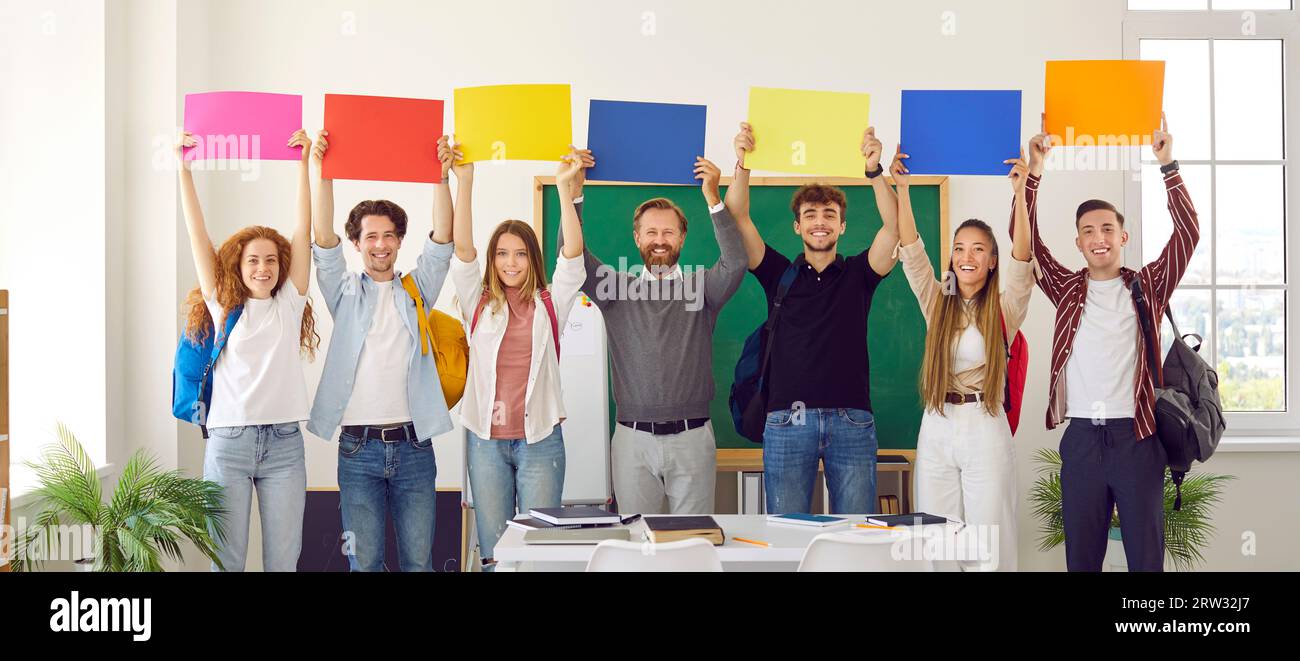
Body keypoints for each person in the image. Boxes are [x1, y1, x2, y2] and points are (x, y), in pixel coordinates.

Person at [1017, 115, 1199, 571]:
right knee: (1082, 560)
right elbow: (1028, 244)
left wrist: (1167, 165)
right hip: (1081, 439)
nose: (1099, 239)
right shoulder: (1066, 287)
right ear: (1078, 242)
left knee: (1145, 560)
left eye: (1106, 230)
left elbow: (1188, 235)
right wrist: (1033, 175)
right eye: (1088, 232)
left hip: (1136, 437)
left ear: (1123, 237)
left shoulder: (1148, 286)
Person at [555, 147, 746, 515]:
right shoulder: (615, 288)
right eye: (651, 232)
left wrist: (713, 198)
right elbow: (570, 256)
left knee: (693, 545)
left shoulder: (701, 288)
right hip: (632, 440)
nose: (660, 239)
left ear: (682, 238)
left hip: (692, 439)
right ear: (638, 238)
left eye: (669, 232)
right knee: (637, 547)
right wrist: (574, 193)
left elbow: (736, 263)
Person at [726, 122, 901, 514]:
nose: (819, 221)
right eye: (810, 214)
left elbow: (895, 227)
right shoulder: (777, 274)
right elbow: (738, 217)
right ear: (797, 226)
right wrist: (743, 162)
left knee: (854, 538)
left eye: (828, 214)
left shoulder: (860, 274)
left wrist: (874, 172)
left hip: (852, 423)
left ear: (842, 225)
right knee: (788, 535)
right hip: (787, 422)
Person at [307, 129, 455, 572]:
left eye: (390, 235)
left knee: (418, 565)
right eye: (371, 236)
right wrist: (324, 172)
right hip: (358, 451)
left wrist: (441, 175)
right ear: (357, 243)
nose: (381, 244)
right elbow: (322, 238)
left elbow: (443, 240)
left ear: (399, 241)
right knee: (365, 564)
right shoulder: (344, 292)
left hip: (414, 445)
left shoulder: (417, 289)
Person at [176, 129, 319, 571]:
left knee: (282, 561)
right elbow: (198, 235)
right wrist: (184, 170)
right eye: (253, 260)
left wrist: (303, 166)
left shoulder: (290, 304)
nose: (263, 268)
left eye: (272, 260)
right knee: (226, 562)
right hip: (229, 443)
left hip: (283, 444)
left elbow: (302, 230)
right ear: (237, 266)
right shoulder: (222, 304)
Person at [443, 138, 587, 570]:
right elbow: (461, 251)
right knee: (495, 552)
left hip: (540, 439)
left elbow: (573, 258)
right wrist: (464, 183)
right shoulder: (478, 301)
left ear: (532, 258)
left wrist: (565, 188)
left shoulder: (549, 301)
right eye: (503, 254)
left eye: (520, 254)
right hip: (485, 441)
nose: (510, 262)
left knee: (540, 552)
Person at [894, 144, 1034, 571]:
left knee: (987, 542)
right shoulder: (938, 302)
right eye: (959, 248)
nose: (967, 256)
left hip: (984, 426)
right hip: (937, 425)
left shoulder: (1005, 308)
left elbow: (1023, 259)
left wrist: (1022, 195)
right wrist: (902, 188)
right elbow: (912, 250)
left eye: (977, 249)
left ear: (991, 261)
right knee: (938, 541)